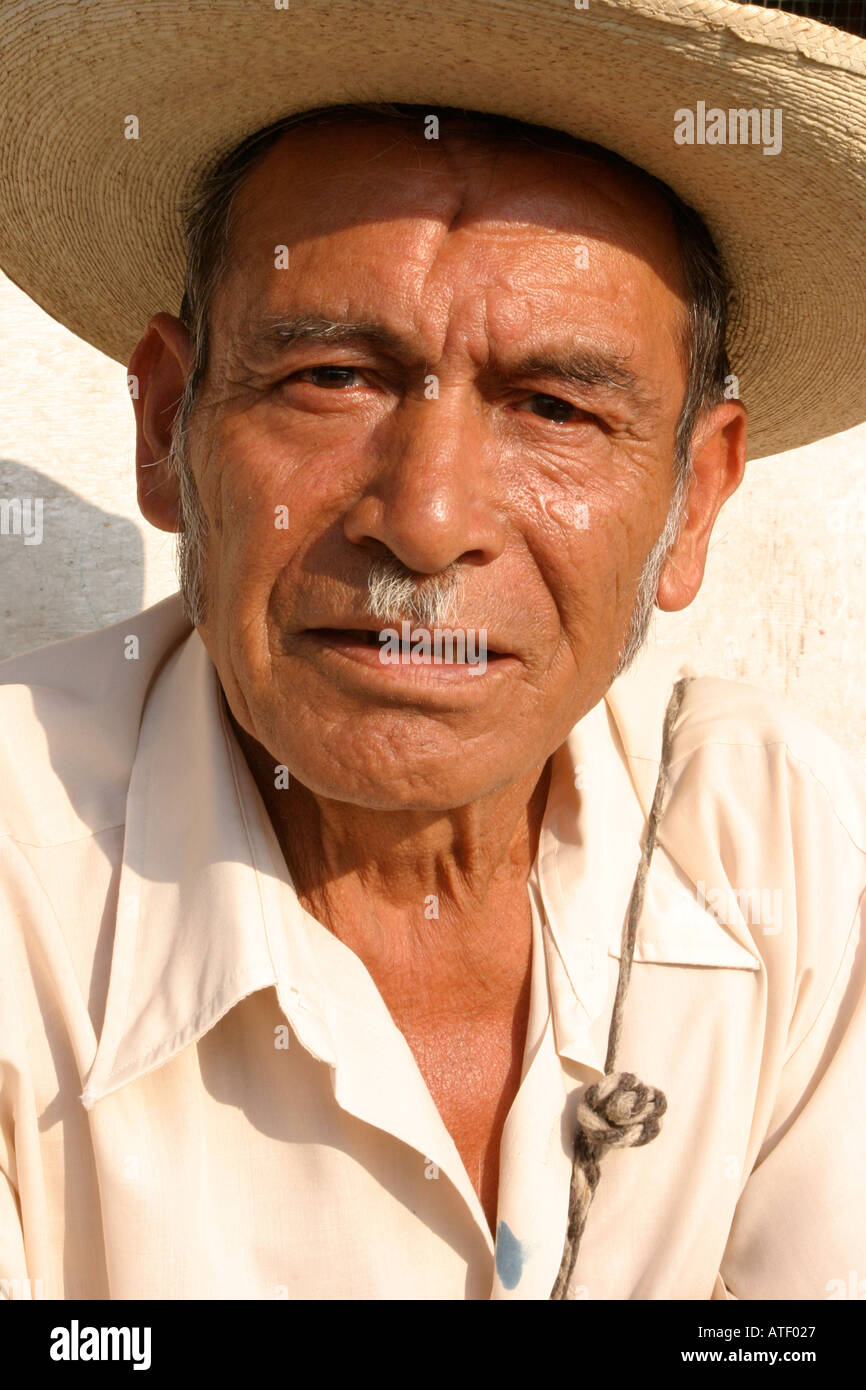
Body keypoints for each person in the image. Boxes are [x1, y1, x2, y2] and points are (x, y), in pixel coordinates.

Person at [1, 0, 864, 1300]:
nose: (426, 517)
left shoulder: (781, 852)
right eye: (332, 378)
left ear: (692, 499)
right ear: (167, 423)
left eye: (554, 406)